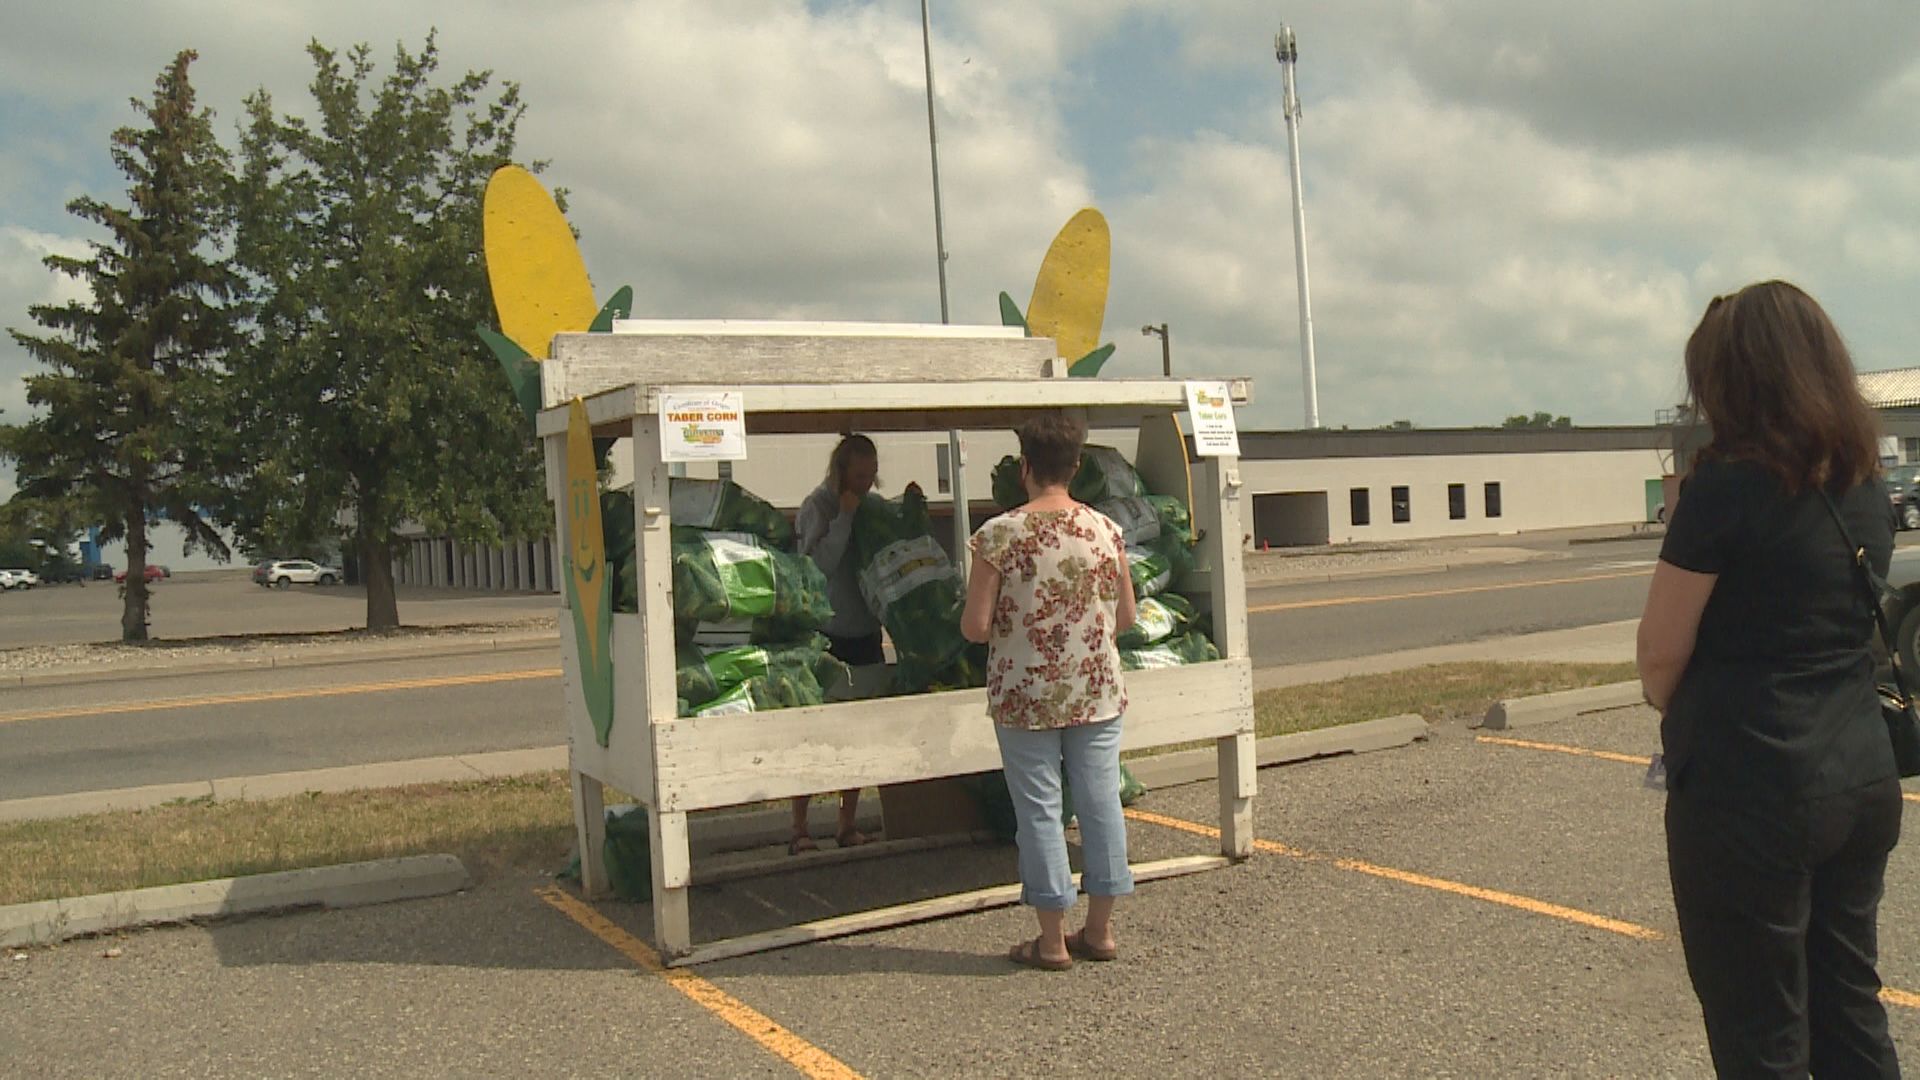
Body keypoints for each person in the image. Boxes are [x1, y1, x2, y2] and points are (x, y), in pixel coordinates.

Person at [1638, 281, 1902, 1076]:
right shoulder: (1862, 486)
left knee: (1761, 1028)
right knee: (1849, 1005)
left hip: (1751, 789)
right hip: (1860, 774)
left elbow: (1659, 657)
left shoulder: (1724, 489)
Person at [961, 412, 1137, 971]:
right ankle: (1101, 930)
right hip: (1096, 690)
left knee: (1039, 810)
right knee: (1100, 801)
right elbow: (1126, 616)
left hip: (1025, 693)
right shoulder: (1106, 531)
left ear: (1025, 468)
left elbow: (976, 625)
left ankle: (1052, 938)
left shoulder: (999, 535)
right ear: (1077, 466)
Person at [790, 434, 886, 854]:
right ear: (841, 471)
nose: (866, 483)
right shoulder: (818, 506)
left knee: (860, 733)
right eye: (859, 475)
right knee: (812, 732)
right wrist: (844, 518)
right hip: (826, 630)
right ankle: (800, 828)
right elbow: (816, 566)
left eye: (871, 475)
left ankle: (847, 822)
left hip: (864, 631)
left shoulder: (869, 505)